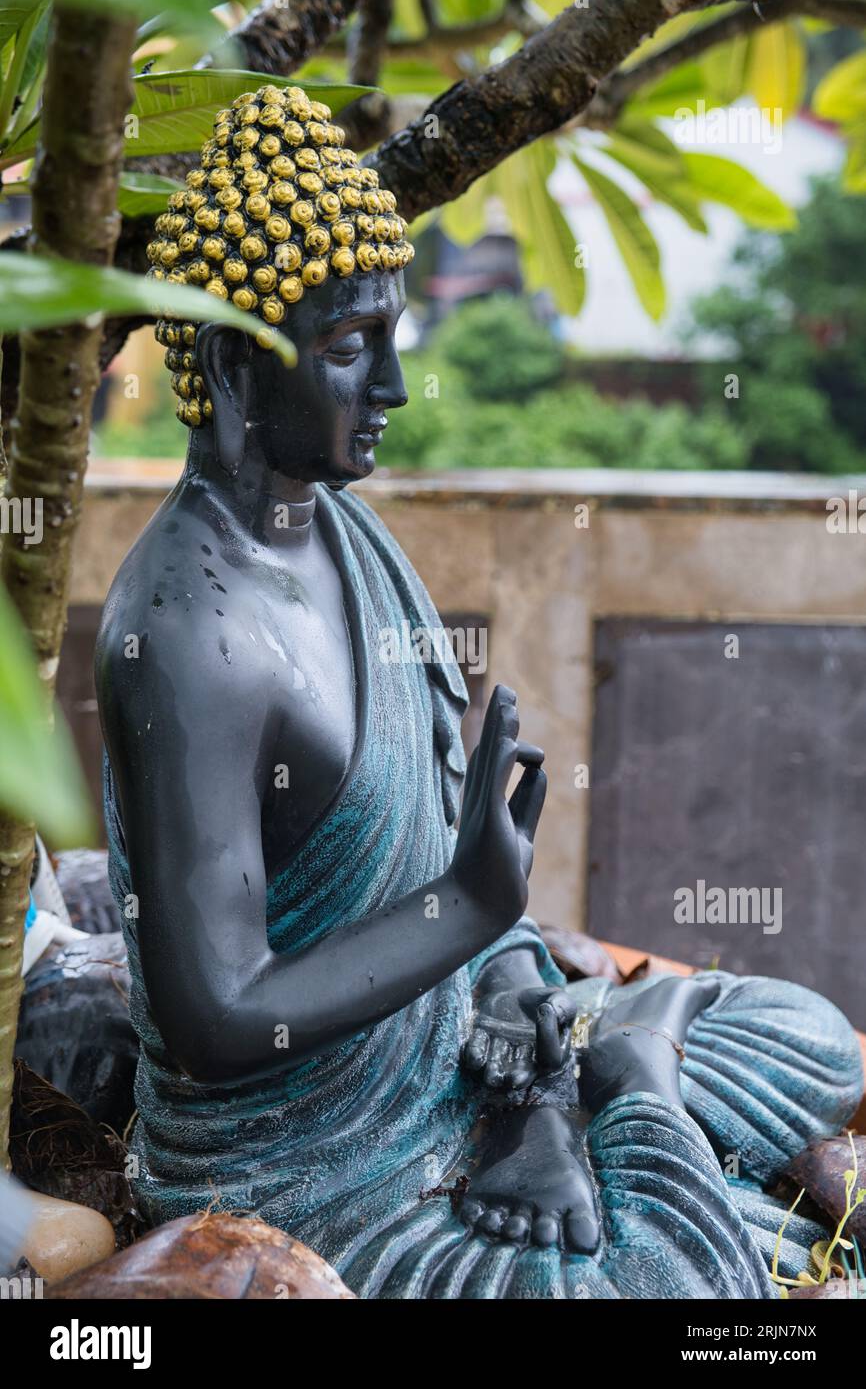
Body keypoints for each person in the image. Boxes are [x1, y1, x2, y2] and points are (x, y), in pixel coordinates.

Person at [96, 85, 863, 1299]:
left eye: (392, 338)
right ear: (238, 363)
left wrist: (518, 1032)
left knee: (803, 1032)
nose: (394, 387)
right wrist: (461, 910)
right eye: (350, 349)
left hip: (455, 1049)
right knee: (666, 1290)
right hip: (316, 1168)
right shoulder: (186, 632)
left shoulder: (350, 538)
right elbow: (218, 1015)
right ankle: (636, 1079)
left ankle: (589, 1089)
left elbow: (459, 884)